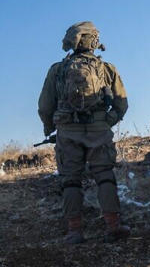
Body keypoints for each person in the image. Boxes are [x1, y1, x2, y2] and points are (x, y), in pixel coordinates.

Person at [38, 21, 130, 244]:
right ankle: (113, 226)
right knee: (105, 177)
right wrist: (106, 121)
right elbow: (122, 104)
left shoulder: (57, 70)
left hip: (68, 131)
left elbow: (45, 106)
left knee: (70, 181)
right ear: (93, 42)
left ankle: (75, 231)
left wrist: (51, 128)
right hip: (99, 130)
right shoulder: (107, 69)